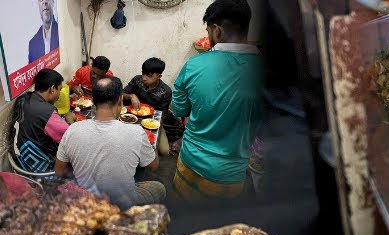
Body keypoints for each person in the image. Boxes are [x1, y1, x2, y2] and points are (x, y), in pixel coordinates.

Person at [170, 0, 264, 202]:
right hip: (231, 175)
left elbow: (178, 109)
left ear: (217, 31)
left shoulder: (194, 65)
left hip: (191, 162)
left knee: (182, 217)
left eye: (208, 30)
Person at [55, 76, 166, 207]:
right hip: (122, 201)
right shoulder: (137, 133)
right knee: (159, 188)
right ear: (120, 100)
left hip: (87, 201)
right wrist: (148, 141)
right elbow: (153, 165)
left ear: (93, 101)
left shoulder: (72, 130)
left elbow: (59, 171)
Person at [12, 69, 69, 175]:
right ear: (52, 89)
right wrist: (69, 121)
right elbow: (70, 137)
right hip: (42, 171)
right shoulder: (47, 112)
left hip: (21, 162)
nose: (60, 94)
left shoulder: (23, 99)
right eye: (59, 90)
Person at [124, 57, 182, 149]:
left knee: (164, 150)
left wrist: (148, 125)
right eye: (143, 73)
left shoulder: (166, 91)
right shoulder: (137, 80)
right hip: (132, 116)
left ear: (159, 76)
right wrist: (131, 96)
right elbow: (122, 95)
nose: (144, 78)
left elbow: (162, 115)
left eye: (149, 75)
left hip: (151, 121)